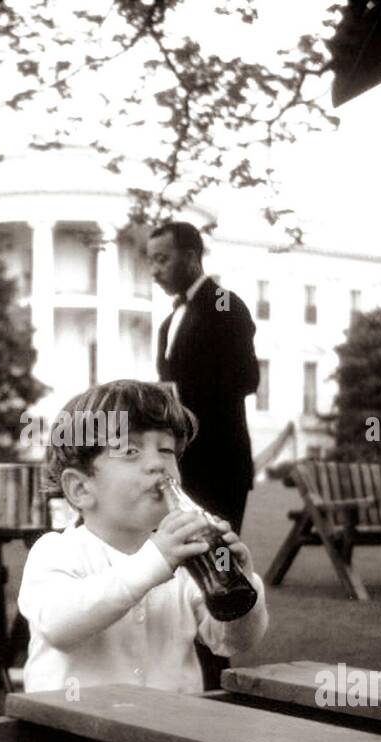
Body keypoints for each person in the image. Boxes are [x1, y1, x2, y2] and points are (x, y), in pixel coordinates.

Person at [17, 380, 268, 695]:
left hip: (166, 733)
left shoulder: (186, 560)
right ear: (81, 489)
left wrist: (239, 583)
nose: (157, 464)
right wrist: (155, 560)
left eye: (166, 450)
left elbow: (230, 641)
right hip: (73, 735)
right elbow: (59, 626)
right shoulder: (56, 552)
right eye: (130, 451)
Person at [148, 220, 260, 688]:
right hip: (183, 466)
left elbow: (246, 379)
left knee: (217, 571)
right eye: (150, 260)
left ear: (192, 256)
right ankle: (188, 675)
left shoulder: (224, 304)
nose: (154, 269)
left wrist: (182, 396)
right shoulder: (170, 320)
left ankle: (215, 678)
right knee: (183, 571)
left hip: (219, 463)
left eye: (162, 258)